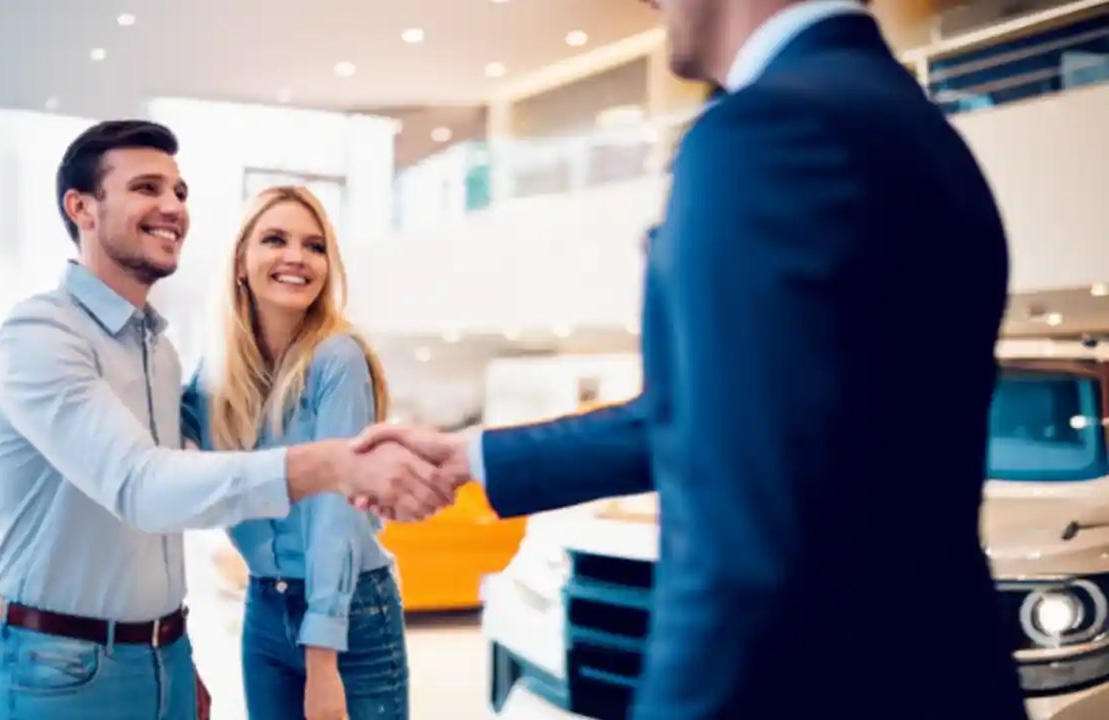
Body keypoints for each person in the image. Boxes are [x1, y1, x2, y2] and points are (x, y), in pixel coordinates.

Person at [354, 1, 1028, 718]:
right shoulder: (914, 127)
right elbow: (705, 420)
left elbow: (739, 540)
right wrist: (468, 458)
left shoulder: (766, 133)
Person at [0, 121, 444, 720]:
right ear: (82, 208)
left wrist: (165, 649)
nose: (171, 207)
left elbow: (167, 526)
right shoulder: (42, 336)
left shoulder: (159, 353)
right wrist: (322, 464)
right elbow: (145, 486)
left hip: (168, 653)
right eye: (147, 187)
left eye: (179, 192)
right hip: (64, 664)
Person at [180, 186, 408, 720]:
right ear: (241, 259)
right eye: (275, 240)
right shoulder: (211, 379)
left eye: (314, 246)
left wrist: (323, 661)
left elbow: (337, 512)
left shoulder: (337, 359)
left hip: (351, 615)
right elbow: (163, 478)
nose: (296, 258)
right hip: (264, 606)